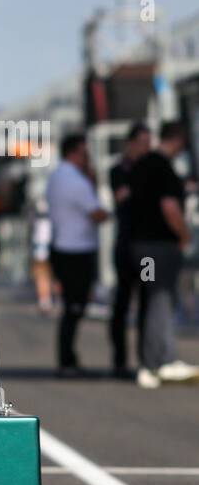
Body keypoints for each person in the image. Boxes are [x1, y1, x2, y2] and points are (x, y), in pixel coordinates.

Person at [129, 120, 198, 388]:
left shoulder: (142, 165)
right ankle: (161, 361)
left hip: (141, 247)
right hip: (157, 247)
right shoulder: (163, 168)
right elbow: (170, 207)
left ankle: (150, 363)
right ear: (179, 140)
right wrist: (185, 235)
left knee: (151, 299)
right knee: (160, 299)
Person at [45, 132, 108, 376]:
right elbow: (97, 213)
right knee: (74, 308)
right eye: (84, 153)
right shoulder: (76, 181)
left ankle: (67, 358)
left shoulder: (57, 176)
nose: (87, 158)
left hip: (62, 247)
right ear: (73, 153)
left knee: (72, 307)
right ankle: (67, 361)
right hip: (76, 250)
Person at [109, 123, 151, 377]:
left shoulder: (152, 167)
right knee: (122, 302)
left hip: (148, 251)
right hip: (126, 246)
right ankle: (120, 360)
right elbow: (121, 196)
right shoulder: (119, 169)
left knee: (149, 299)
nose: (147, 148)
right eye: (143, 142)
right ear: (131, 143)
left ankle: (148, 359)